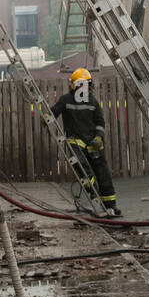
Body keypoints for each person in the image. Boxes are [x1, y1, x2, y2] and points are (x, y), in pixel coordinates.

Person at [50, 69, 122, 217]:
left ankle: (110, 205)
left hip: (93, 143)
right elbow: (54, 112)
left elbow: (100, 122)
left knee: (103, 173)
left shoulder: (93, 102)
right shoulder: (65, 100)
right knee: (82, 168)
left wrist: (99, 137)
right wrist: (46, 116)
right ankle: (94, 193)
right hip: (75, 142)